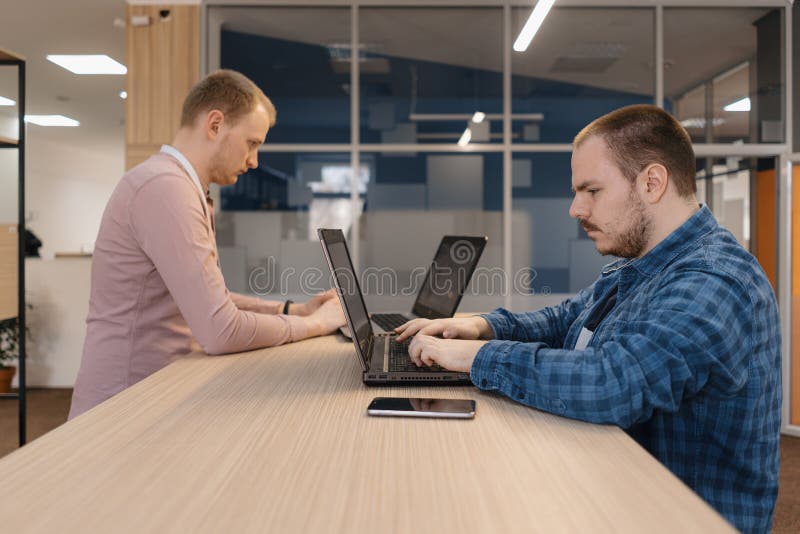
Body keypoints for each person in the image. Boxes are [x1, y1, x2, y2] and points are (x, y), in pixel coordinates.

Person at [395, 104, 781, 533]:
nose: (576, 209)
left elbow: (614, 383)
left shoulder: (714, 279)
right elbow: (567, 322)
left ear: (652, 183)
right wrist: (484, 326)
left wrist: (480, 356)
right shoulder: (640, 264)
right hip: (617, 489)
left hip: (678, 518)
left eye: (591, 190)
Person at [69, 70, 344, 419]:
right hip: (124, 404)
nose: (254, 161)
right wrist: (317, 325)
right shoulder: (165, 189)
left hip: (155, 392)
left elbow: (208, 299)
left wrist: (293, 310)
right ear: (215, 125)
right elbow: (220, 330)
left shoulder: (177, 186)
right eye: (252, 143)